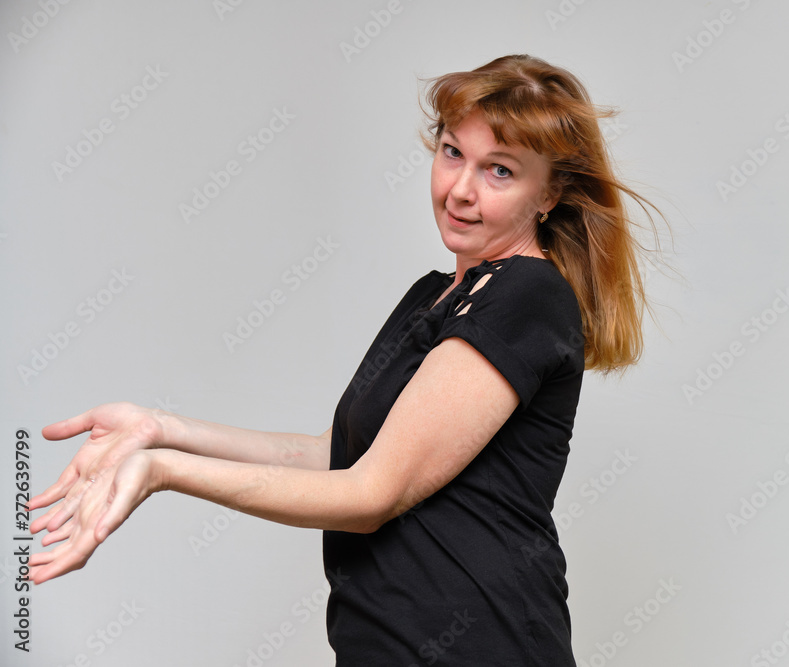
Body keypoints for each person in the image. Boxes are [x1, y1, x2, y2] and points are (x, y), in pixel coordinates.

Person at [27, 54, 670, 665]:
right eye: (453, 153)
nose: (461, 190)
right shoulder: (437, 294)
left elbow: (369, 493)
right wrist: (161, 428)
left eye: (499, 170)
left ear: (548, 194)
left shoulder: (526, 295)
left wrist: (160, 471)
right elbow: (338, 454)